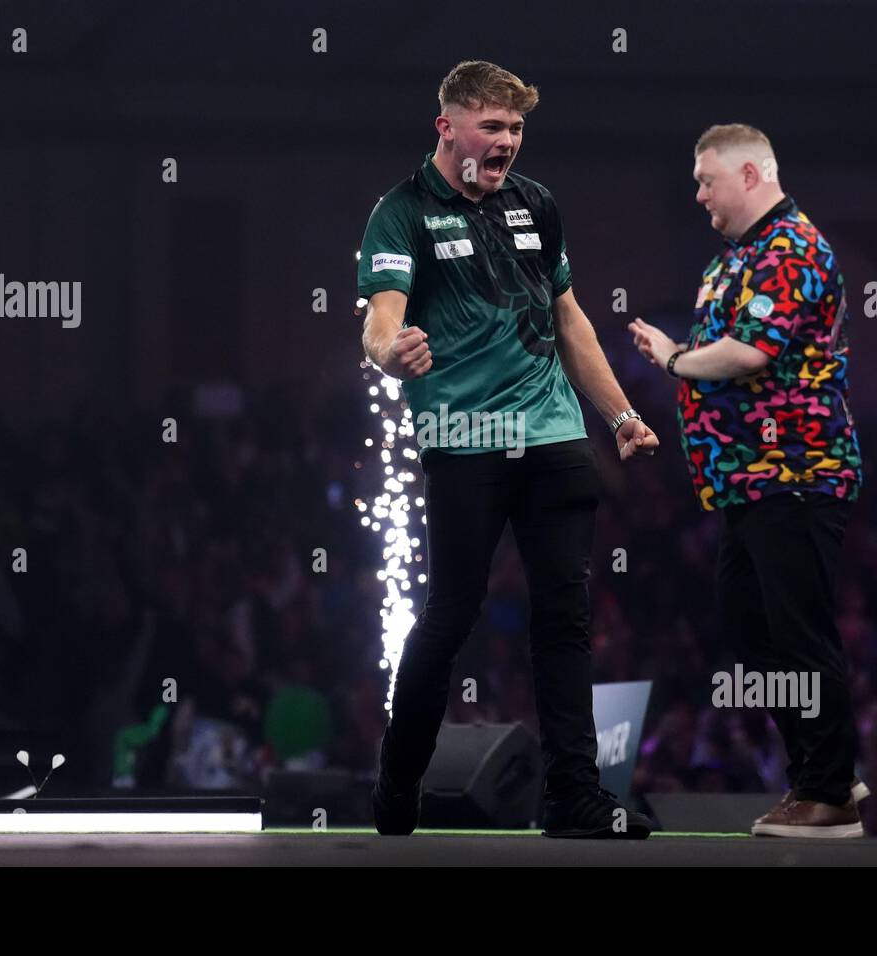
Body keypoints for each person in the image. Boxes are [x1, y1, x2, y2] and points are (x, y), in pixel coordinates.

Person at [358, 60, 658, 838]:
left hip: (554, 435)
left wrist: (619, 413)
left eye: (516, 129)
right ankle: (398, 777)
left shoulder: (537, 206)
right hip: (465, 440)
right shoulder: (402, 212)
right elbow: (380, 320)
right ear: (447, 127)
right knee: (452, 614)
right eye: (491, 126)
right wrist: (390, 355)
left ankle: (574, 796)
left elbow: (570, 322)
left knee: (565, 617)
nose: (506, 143)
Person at [630, 124, 866, 837]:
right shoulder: (738, 259)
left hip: (795, 470)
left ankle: (825, 794)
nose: (698, 194)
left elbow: (751, 353)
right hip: (748, 483)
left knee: (797, 632)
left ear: (753, 175)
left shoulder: (791, 247)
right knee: (749, 623)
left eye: (707, 180)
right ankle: (828, 769)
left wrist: (673, 360)